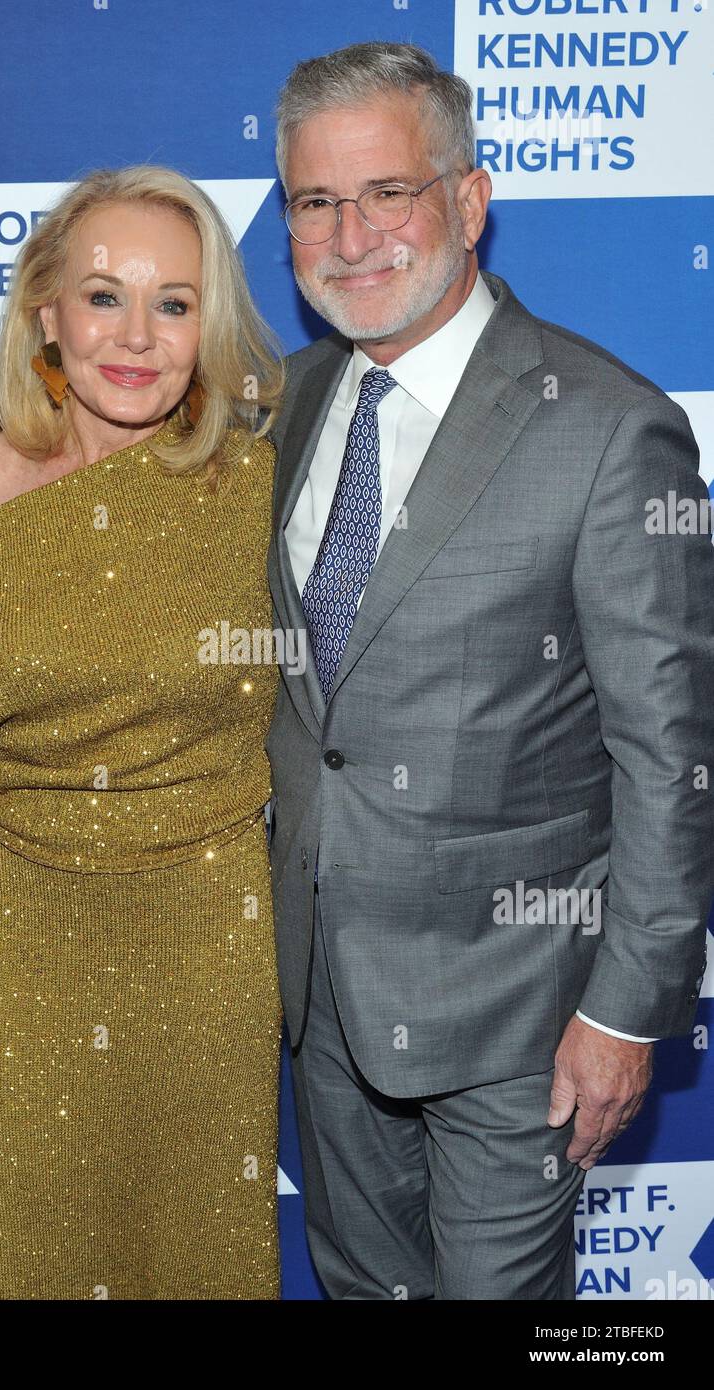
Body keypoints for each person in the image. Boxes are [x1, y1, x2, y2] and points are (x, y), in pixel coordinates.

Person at [265, 41, 714, 1300]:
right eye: (314, 202)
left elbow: (671, 756)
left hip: (525, 1014)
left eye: (388, 193)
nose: (351, 237)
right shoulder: (287, 401)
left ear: (468, 200)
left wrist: (628, 1012)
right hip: (322, 998)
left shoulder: (608, 427)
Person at [0, 165, 285, 1300]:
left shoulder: (258, 484)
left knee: (204, 1260)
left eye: (175, 302)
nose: (138, 338)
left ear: (212, 325)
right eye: (105, 296)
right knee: (29, 1263)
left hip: (212, 936)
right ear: (46, 312)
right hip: (22, 937)